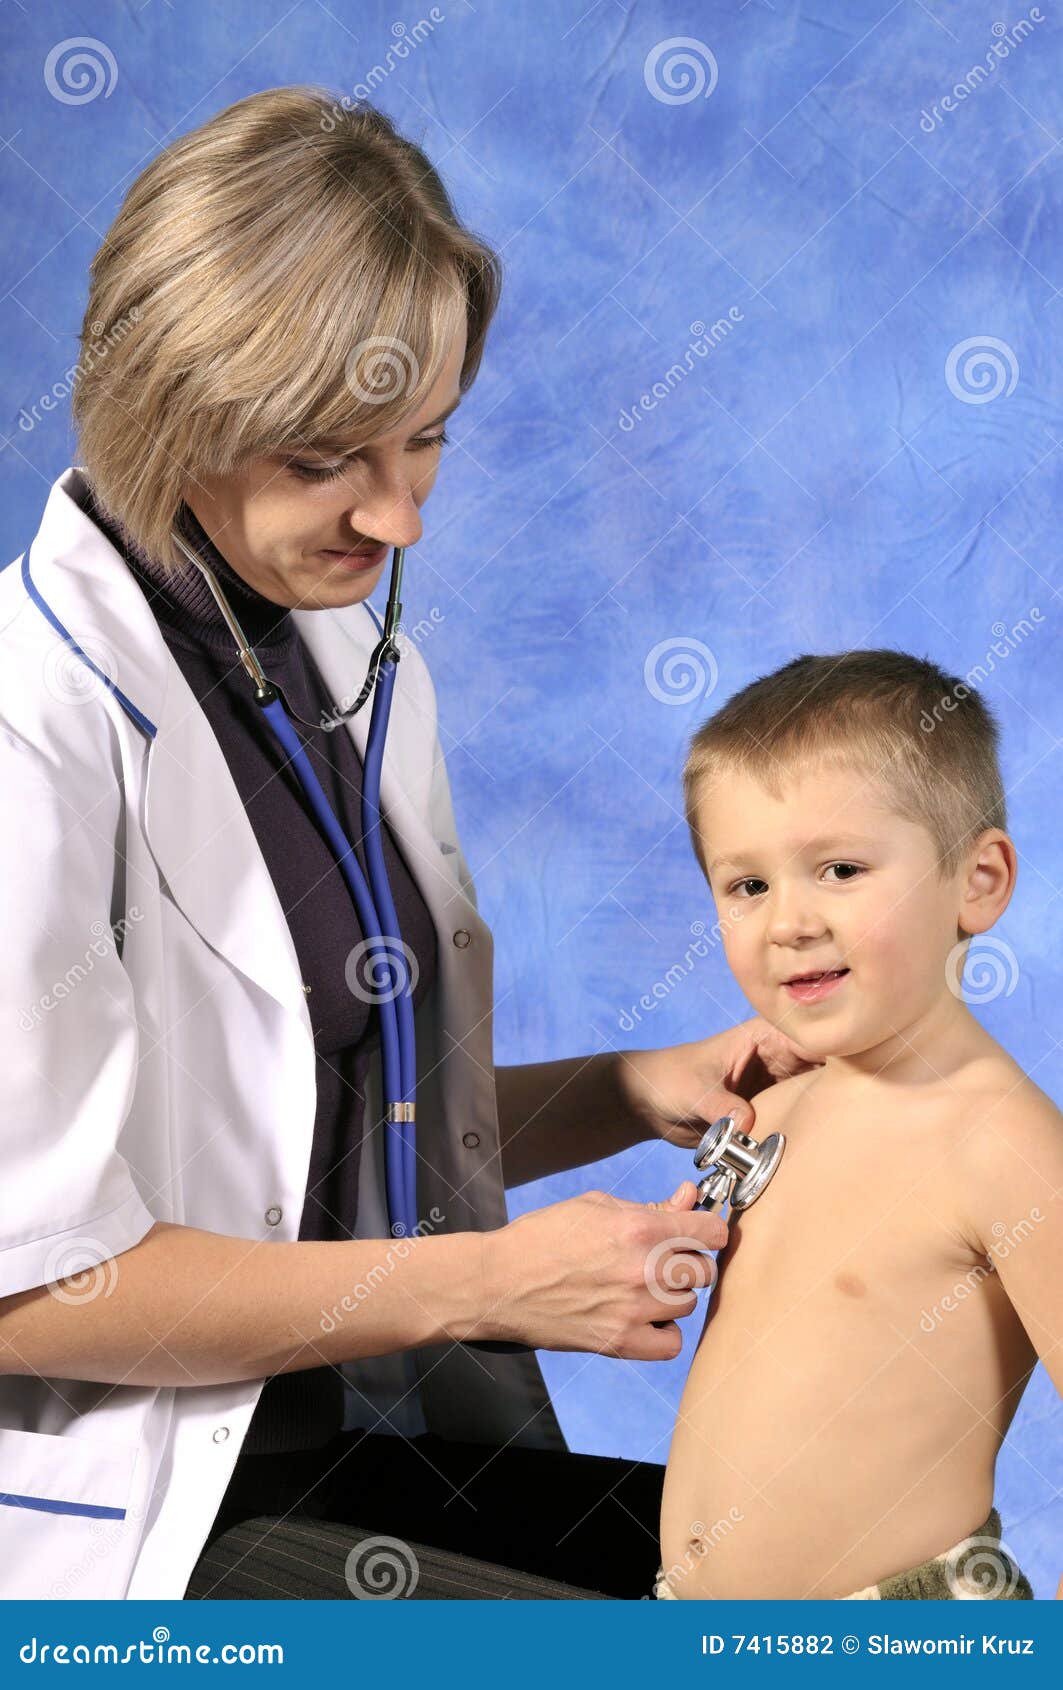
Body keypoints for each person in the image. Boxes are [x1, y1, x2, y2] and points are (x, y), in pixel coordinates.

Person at [0, 85, 818, 1601]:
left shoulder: (343, 667)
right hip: (156, 1503)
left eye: (424, 441)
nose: (399, 517)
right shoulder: (30, 727)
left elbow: (308, 1131)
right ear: (172, 408)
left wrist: (634, 1090)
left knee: (848, 1583)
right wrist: (495, 1277)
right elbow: (31, 1288)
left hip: (381, 1430)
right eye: (327, 458)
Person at [654, 650, 1063, 1601]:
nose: (788, 921)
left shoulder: (1000, 1146)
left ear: (977, 881)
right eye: (745, 886)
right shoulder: (773, 1105)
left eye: (839, 869)